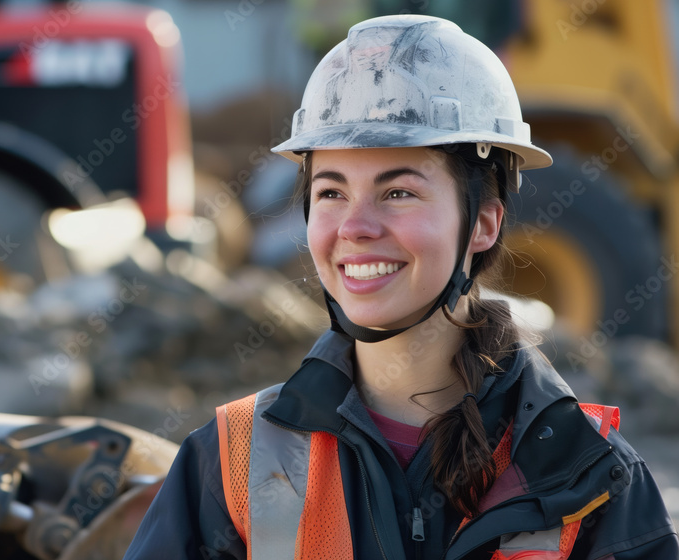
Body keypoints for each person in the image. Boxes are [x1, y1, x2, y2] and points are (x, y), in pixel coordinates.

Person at [123, 14, 679, 560]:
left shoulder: (588, 473)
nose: (355, 228)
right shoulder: (229, 464)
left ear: (484, 221)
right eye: (331, 193)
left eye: (398, 193)